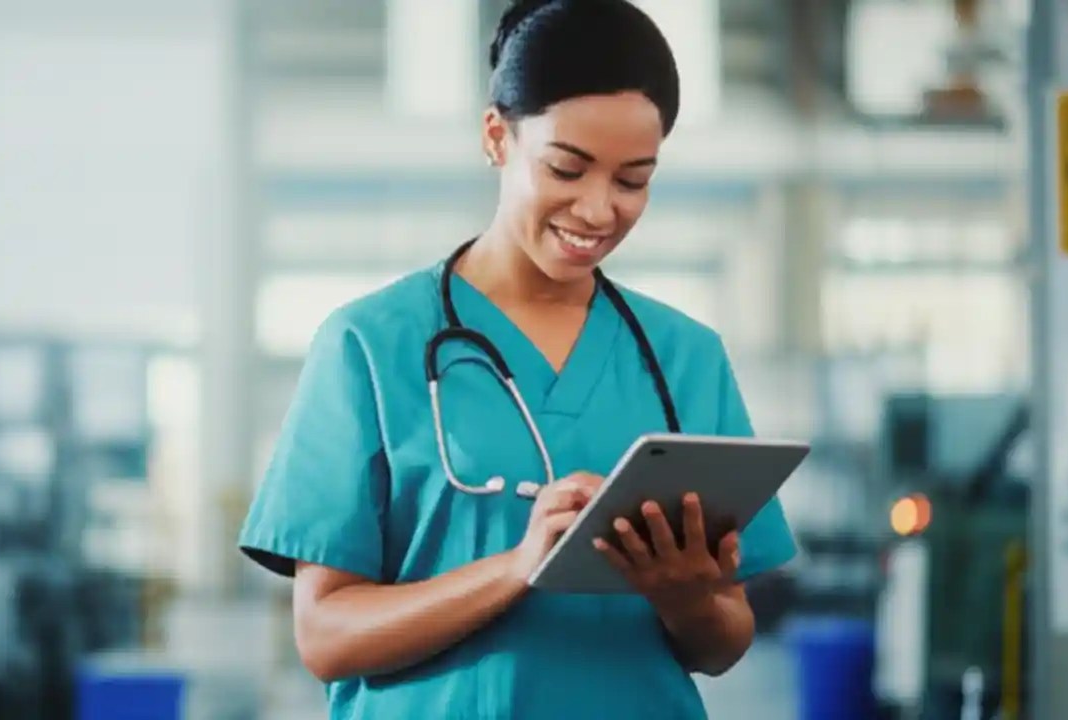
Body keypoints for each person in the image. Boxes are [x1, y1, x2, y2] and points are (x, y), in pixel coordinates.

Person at [239, 0, 797, 717]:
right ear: (497, 137)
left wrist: (685, 599)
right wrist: (517, 568)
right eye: (567, 168)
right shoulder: (370, 345)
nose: (599, 211)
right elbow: (324, 635)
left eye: (632, 181)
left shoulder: (685, 357)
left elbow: (724, 643)